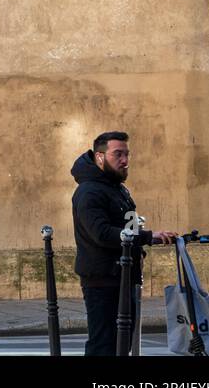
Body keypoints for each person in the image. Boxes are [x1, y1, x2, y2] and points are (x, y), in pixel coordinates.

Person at [71, 131, 178, 356]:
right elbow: (101, 233)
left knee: (122, 343)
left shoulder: (117, 188)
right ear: (100, 157)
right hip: (103, 281)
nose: (125, 160)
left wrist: (139, 247)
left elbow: (127, 227)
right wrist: (148, 237)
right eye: (118, 154)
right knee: (104, 346)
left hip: (122, 276)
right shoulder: (89, 191)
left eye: (127, 154)